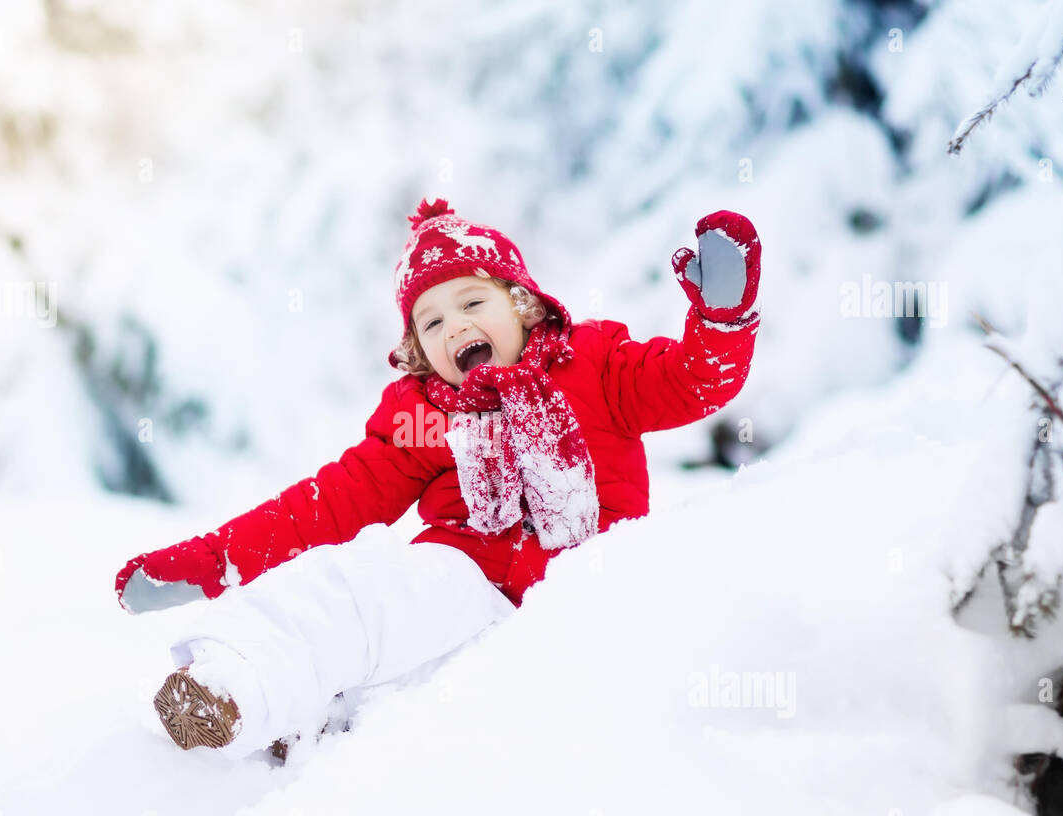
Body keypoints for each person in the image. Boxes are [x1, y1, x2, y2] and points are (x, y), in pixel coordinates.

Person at [115, 197, 762, 759]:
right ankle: (236, 684)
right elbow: (323, 508)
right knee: (363, 587)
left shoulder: (594, 365)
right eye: (432, 322)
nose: (454, 325)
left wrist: (720, 321)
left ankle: (325, 720)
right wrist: (208, 563)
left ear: (524, 306)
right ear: (422, 353)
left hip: (588, 592)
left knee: (430, 690)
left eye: (472, 301)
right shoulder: (423, 416)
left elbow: (690, 383)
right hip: (465, 582)